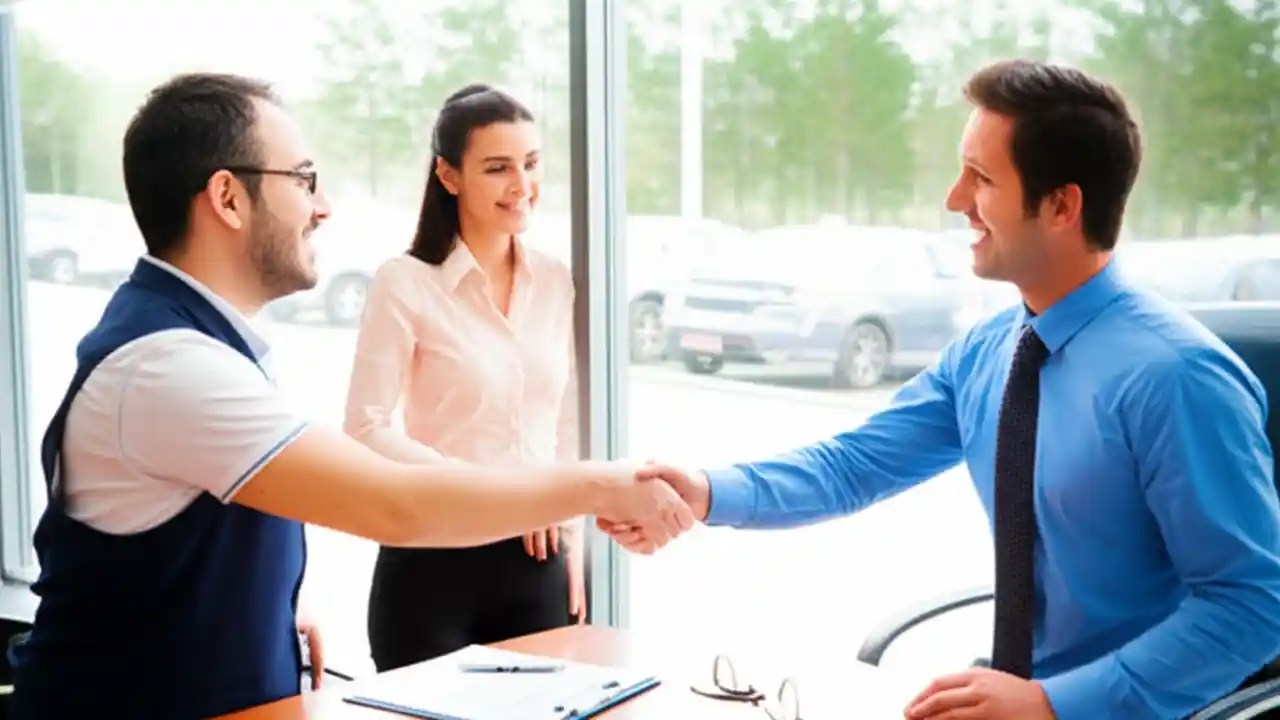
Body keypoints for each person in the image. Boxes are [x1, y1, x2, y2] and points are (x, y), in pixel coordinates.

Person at [606, 58, 1280, 720]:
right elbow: (854, 466)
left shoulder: (1178, 378)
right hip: (1014, 695)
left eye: (980, 178)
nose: (955, 200)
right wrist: (705, 491)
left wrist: (1053, 705)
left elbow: (1252, 604)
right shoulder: (993, 349)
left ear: (1061, 205)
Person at [8, 72, 695, 720]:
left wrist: (267, 615)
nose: (324, 205)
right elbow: (392, 504)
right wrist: (602, 485)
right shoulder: (170, 366)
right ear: (226, 198)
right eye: (304, 179)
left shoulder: (190, 344)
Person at [342, 84, 587, 671]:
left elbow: (567, 420)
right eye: (498, 168)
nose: (521, 185)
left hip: (536, 558)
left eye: (530, 164)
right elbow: (365, 427)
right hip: (431, 561)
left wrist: (572, 536)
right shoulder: (405, 282)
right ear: (449, 176)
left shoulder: (555, 280)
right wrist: (491, 489)